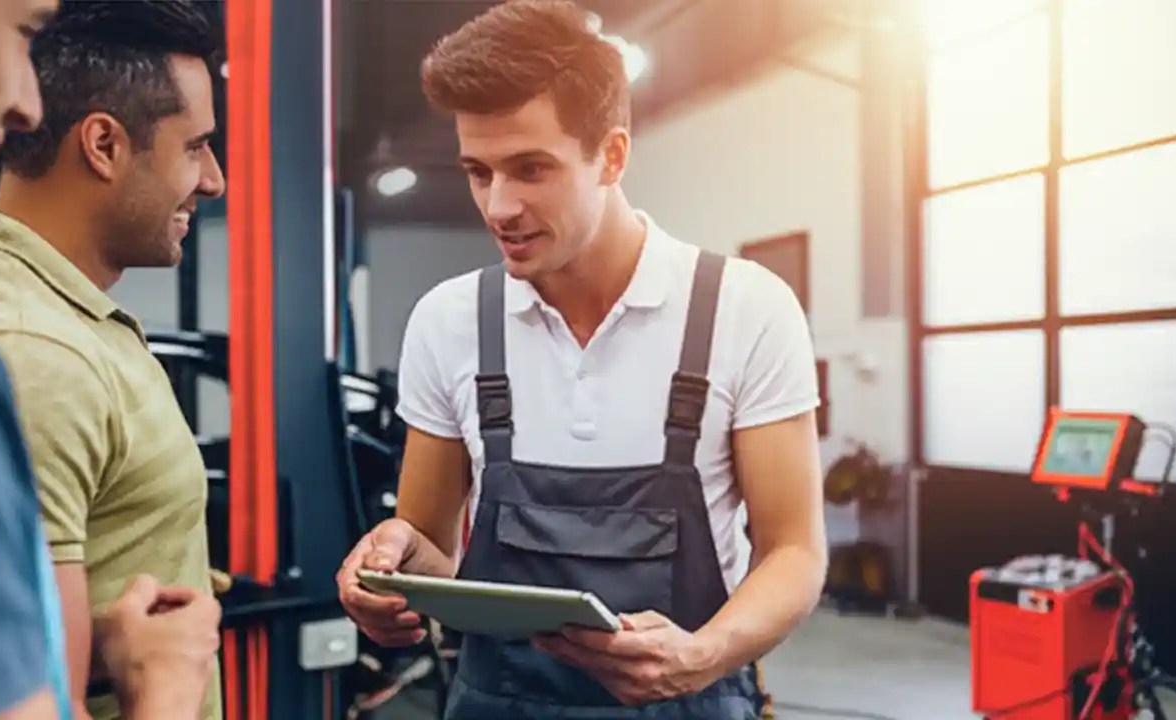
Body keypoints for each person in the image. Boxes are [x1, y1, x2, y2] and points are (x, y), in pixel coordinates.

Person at [336, 1, 828, 717]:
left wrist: (705, 654)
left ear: (613, 156)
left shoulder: (743, 310)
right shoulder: (448, 323)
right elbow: (433, 552)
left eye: (531, 168)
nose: (499, 206)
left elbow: (794, 552)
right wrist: (388, 571)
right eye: (478, 172)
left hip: (693, 699)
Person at [0, 1, 222, 719]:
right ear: (104, 145)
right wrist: (169, 681)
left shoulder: (72, 325)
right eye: (196, 146)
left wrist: (113, 647)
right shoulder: (29, 350)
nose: (213, 180)